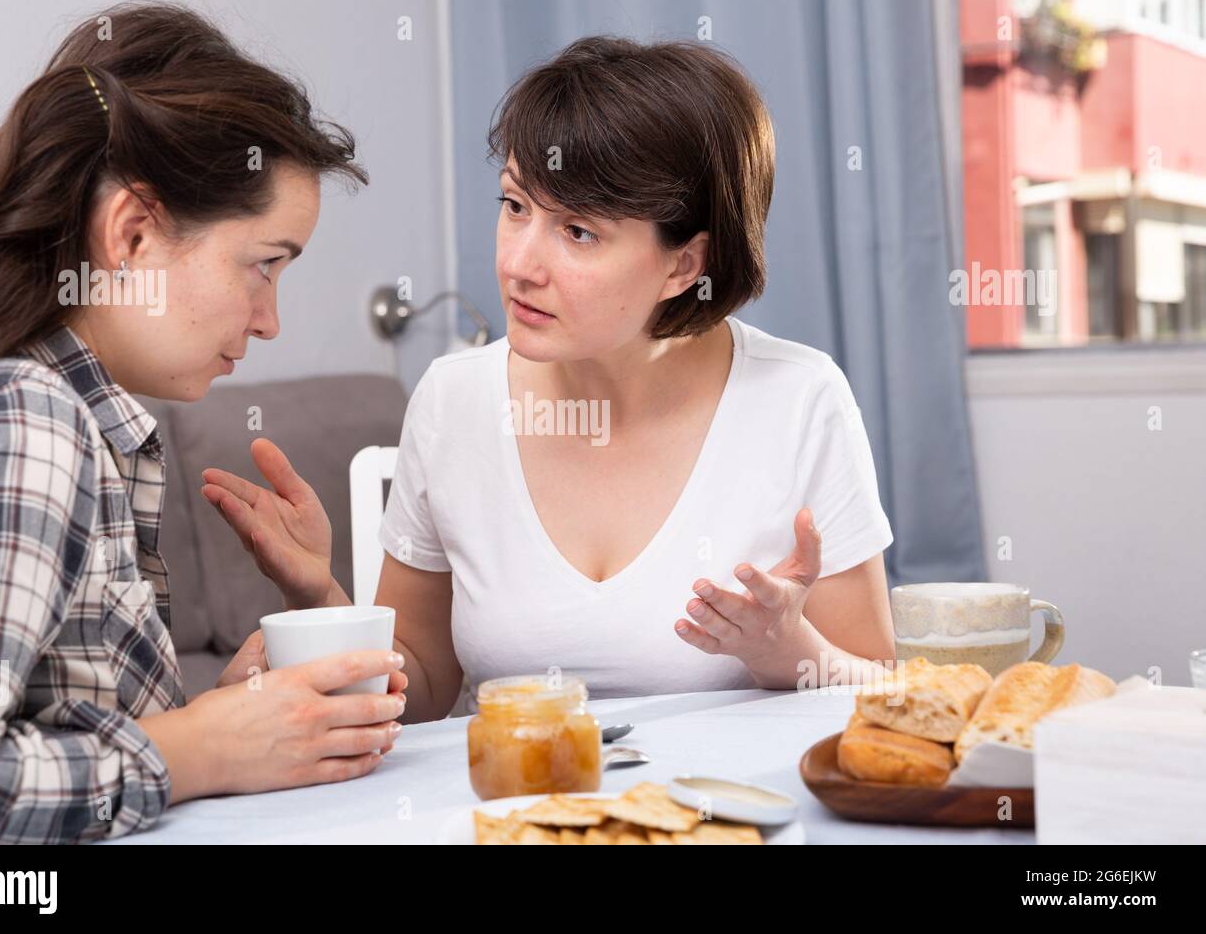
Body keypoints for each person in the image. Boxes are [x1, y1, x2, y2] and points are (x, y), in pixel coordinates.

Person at [203, 37, 896, 724]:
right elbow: (421, 682)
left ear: (685, 266)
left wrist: (789, 648)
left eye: (578, 232)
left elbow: (882, 694)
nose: (519, 264)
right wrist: (319, 595)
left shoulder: (799, 400)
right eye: (515, 206)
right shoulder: (453, 402)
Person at [0, 5, 405, 844]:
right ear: (133, 234)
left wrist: (219, 723)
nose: (269, 320)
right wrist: (202, 748)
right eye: (263, 265)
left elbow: (56, 729)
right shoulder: (26, 419)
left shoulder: (74, 417)